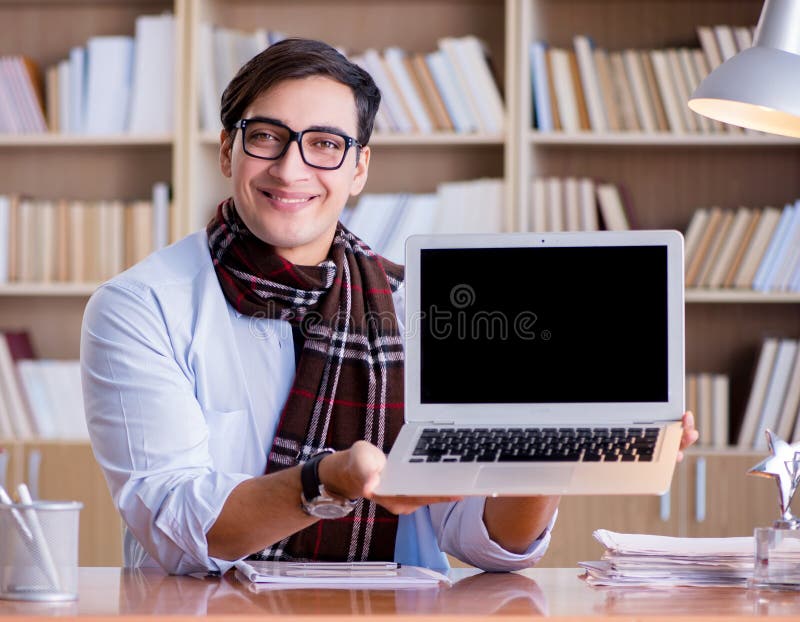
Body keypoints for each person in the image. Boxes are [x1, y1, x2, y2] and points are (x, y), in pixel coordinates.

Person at [81, 38, 698, 576]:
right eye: (266, 137)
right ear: (227, 151)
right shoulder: (139, 308)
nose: (291, 169)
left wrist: (548, 453)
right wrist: (324, 482)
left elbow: (486, 542)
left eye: (325, 144)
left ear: (358, 169)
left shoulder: (414, 303)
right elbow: (177, 530)